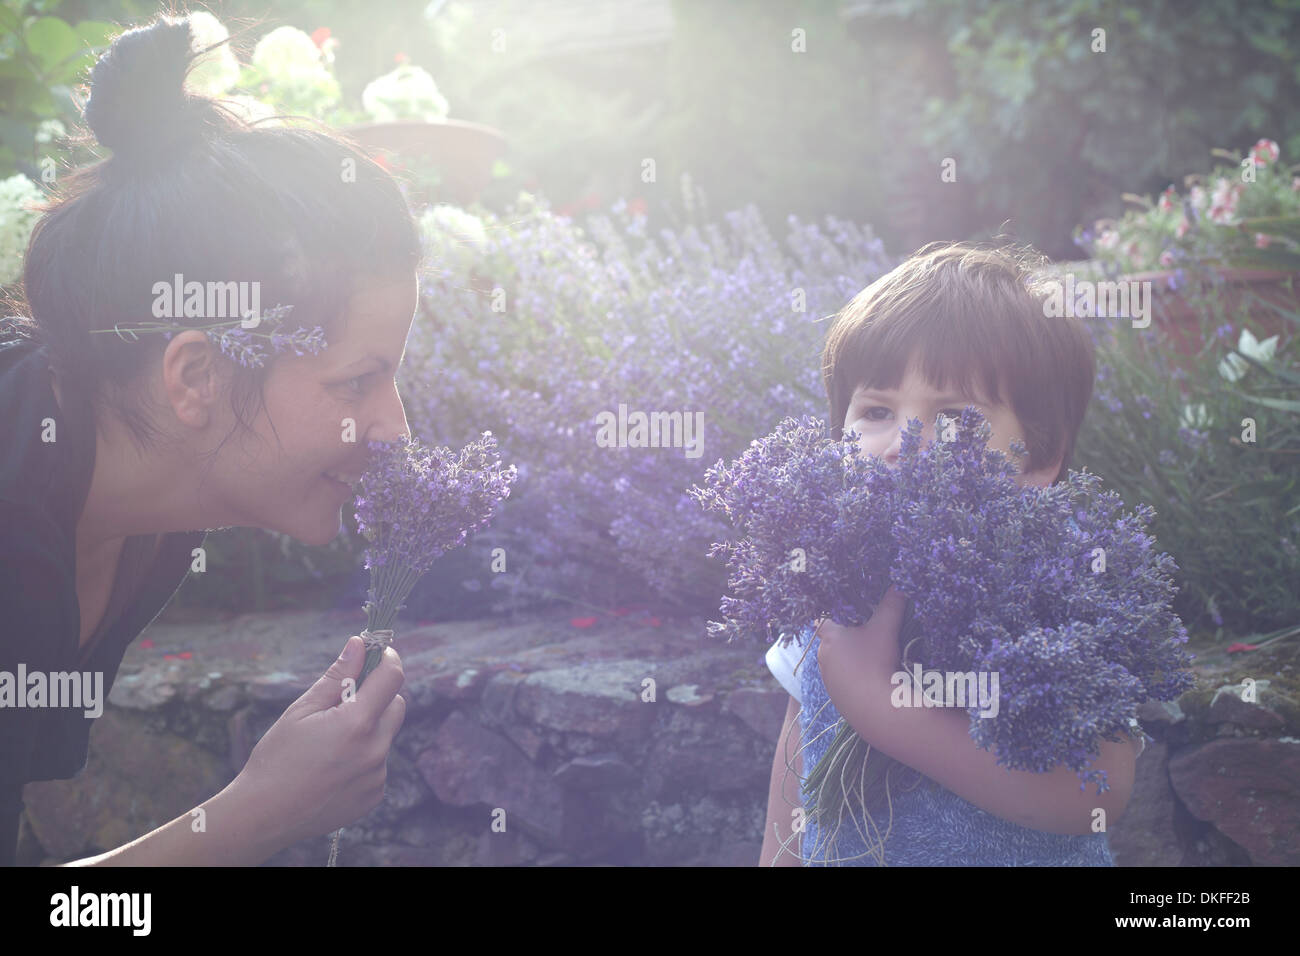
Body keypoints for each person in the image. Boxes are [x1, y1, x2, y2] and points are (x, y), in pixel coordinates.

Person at [0, 13, 422, 865]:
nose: (396, 431)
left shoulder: (137, 519)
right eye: (354, 381)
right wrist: (248, 820)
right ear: (195, 377)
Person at [758, 242, 1145, 866]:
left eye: (955, 419)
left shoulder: (1054, 586)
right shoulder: (834, 578)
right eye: (877, 410)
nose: (904, 444)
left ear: (1040, 458)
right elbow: (797, 770)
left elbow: (1093, 792)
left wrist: (881, 707)